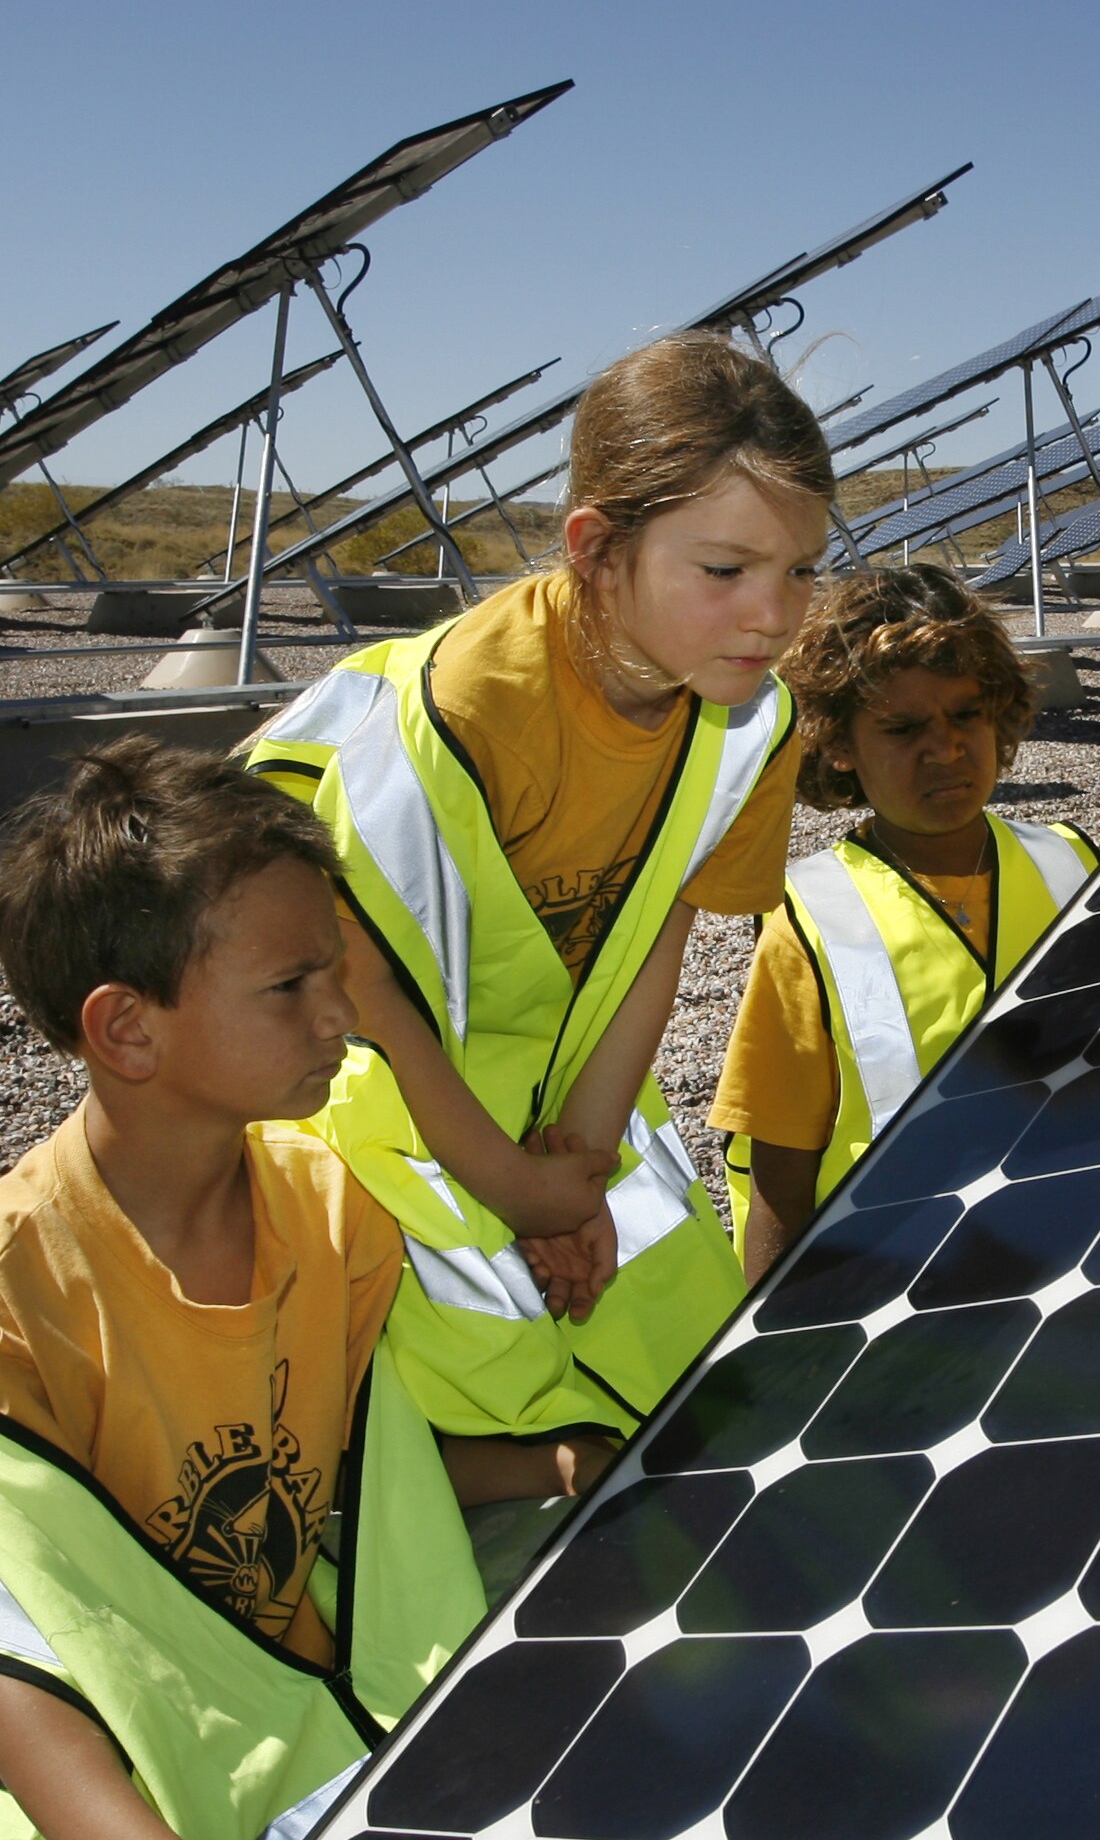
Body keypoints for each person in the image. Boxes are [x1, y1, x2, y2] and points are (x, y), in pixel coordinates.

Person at [0, 739, 486, 1840]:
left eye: (334, 968)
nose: (340, 1013)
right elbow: (15, 1661)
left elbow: (354, 1479)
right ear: (126, 1027)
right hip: (21, 1792)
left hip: (224, 1702)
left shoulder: (330, 1211)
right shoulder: (7, 1299)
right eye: (291, 984)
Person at [247, 331, 818, 1488]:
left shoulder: (753, 725)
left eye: (802, 569)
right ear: (597, 551)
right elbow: (367, 990)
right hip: (364, 1094)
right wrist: (519, 1193)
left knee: (697, 1366)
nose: (773, 614)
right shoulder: (466, 710)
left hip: (557, 1101)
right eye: (724, 571)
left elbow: (655, 933)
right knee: (447, 1369)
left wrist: (585, 1163)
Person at [714, 565, 1100, 1279]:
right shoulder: (809, 918)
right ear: (836, 742)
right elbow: (781, 1171)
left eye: (965, 713)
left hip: (1073, 1253)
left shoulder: (1075, 864)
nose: (945, 748)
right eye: (902, 727)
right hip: (900, 1287)